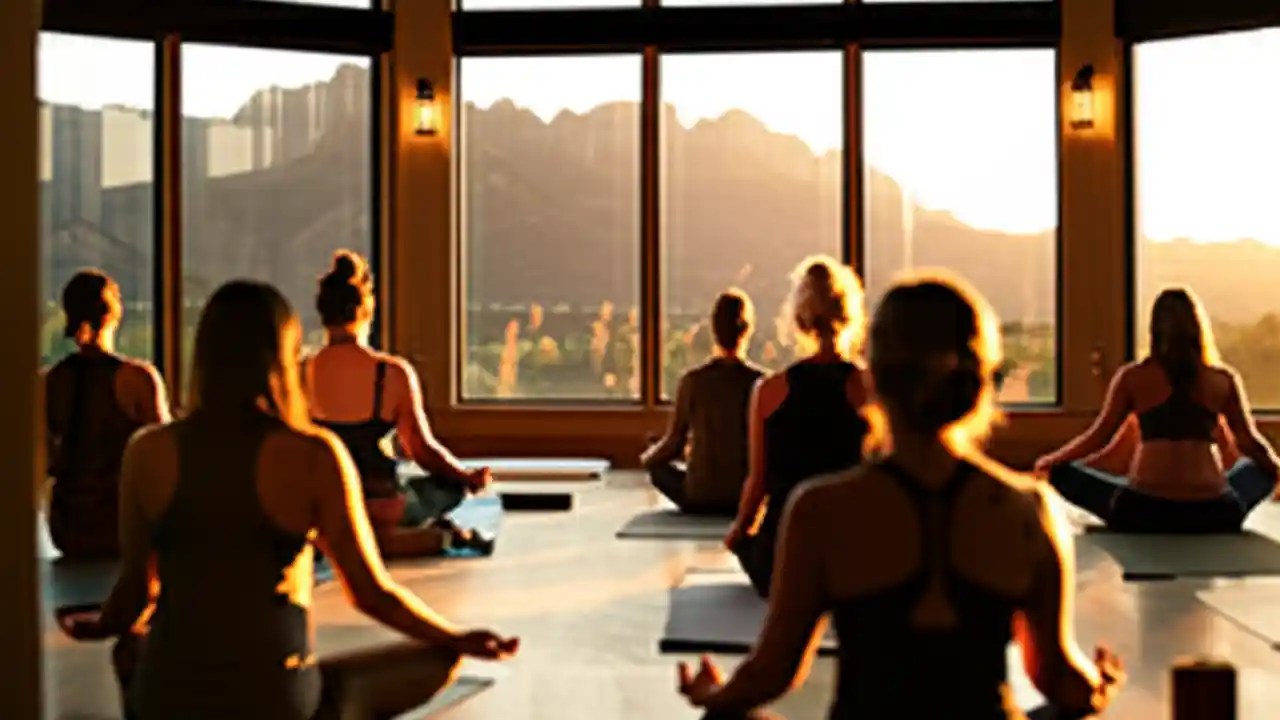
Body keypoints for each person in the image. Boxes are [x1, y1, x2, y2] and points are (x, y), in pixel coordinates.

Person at [61, 280, 518, 719]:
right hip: (277, 704)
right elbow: (371, 594)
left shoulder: (147, 451)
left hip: (168, 700)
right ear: (282, 355)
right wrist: (458, 637)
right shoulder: (313, 455)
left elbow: (136, 593)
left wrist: (101, 624)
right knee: (441, 659)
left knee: (129, 649)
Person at [677, 272, 1124, 719]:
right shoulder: (1030, 510)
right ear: (980, 382)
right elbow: (1060, 678)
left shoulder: (819, 510)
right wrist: (1097, 686)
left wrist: (714, 698)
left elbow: (773, 672)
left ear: (876, 382)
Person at [1034, 287, 1280, 533]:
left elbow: (1099, 437)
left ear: (1154, 330)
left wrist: (1052, 462)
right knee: (1260, 471)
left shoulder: (1133, 377)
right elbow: (1251, 443)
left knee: (1064, 474)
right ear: (1198, 328)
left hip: (1141, 511)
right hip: (1215, 512)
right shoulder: (1222, 379)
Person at [304, 251, 494, 558]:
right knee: (447, 490)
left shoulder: (300, 372)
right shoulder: (391, 373)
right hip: (383, 506)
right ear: (367, 310)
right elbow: (422, 450)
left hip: (325, 508)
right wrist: (466, 477)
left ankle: (342, 541)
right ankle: (398, 539)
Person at [726, 257, 871, 598]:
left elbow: (757, 482)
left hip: (782, 557)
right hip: (850, 559)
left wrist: (737, 534)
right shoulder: (869, 388)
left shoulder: (769, 391)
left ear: (798, 319)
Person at [44, 270, 170, 559]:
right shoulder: (139, 379)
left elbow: (49, 458)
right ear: (115, 314)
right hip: (122, 528)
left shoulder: (50, 381)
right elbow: (166, 458)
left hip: (67, 530)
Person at [642, 289, 765, 516]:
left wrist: (648, 456)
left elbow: (673, 444)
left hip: (699, 495)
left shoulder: (693, 381)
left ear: (714, 330)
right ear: (748, 330)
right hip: (745, 495)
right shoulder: (761, 383)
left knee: (657, 469)